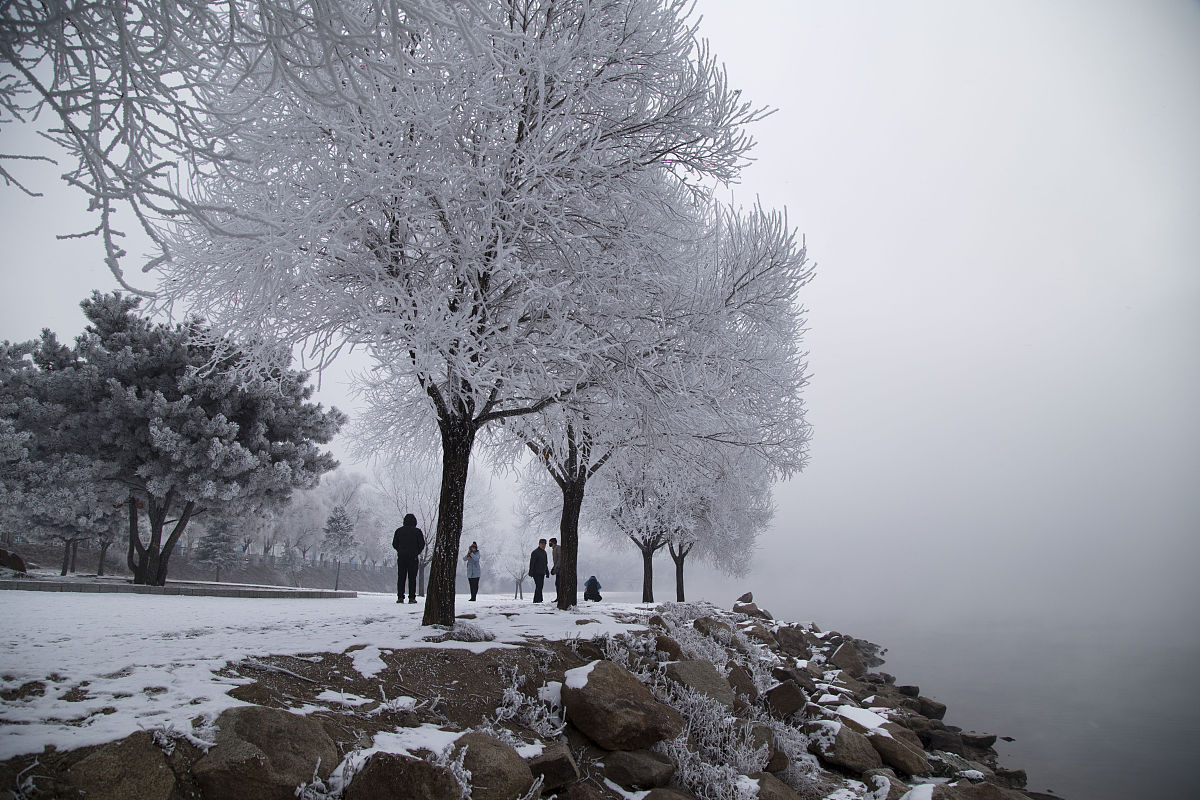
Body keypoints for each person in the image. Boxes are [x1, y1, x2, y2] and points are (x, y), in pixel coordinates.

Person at [392, 513, 425, 604]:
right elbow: (422, 544)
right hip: (413, 558)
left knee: (401, 577)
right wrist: (416, 552)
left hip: (402, 557)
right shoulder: (418, 532)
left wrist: (400, 550)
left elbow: (394, 544)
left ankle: (400, 597)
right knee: (412, 578)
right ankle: (411, 597)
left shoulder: (399, 531)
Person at [528, 539, 550, 603]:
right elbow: (532, 563)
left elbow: (545, 563)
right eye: (542, 544)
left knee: (540, 586)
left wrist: (547, 572)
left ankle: (539, 599)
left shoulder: (544, 553)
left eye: (545, 544)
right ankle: (536, 600)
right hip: (536, 572)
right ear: (539, 544)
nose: (543, 545)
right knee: (538, 585)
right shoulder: (535, 552)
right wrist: (531, 571)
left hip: (542, 572)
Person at [548, 537, 561, 603]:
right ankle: (558, 597)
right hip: (557, 568)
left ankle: (559, 597)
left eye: (550, 542)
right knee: (557, 584)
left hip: (560, 569)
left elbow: (559, 559)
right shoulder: (554, 549)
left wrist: (556, 568)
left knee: (558, 583)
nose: (549, 544)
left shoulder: (558, 548)